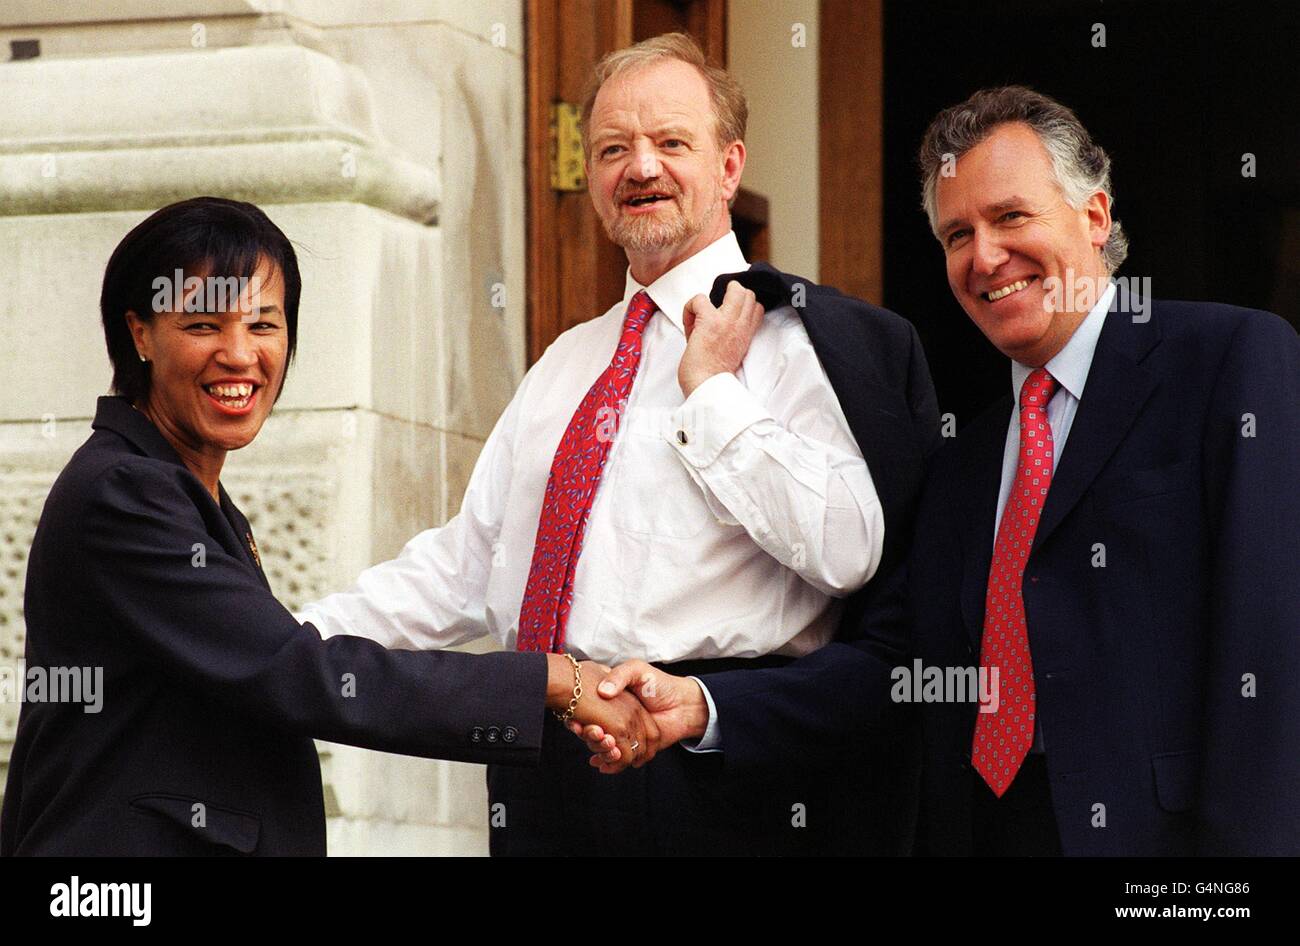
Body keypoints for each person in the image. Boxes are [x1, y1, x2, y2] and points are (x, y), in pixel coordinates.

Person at [586, 86, 1300, 856]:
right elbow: (896, 674)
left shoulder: (1229, 362)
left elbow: (1269, 647)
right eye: (958, 233)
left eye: (1011, 217)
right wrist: (700, 707)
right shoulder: (962, 461)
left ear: (1095, 217)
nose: (985, 256)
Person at [297, 34, 938, 855]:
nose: (641, 168)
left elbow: (848, 549)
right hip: (546, 772)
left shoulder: (805, 342)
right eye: (613, 149)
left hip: (720, 775)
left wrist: (710, 394)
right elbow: (467, 564)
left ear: (730, 166)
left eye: (672, 143)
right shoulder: (565, 363)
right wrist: (289, 647)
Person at [0, 197, 650, 856]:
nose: (238, 354)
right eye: (202, 325)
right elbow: (295, 673)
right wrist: (547, 681)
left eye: (263, 324)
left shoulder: (186, 493)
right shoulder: (124, 490)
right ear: (139, 333)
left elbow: (273, 667)